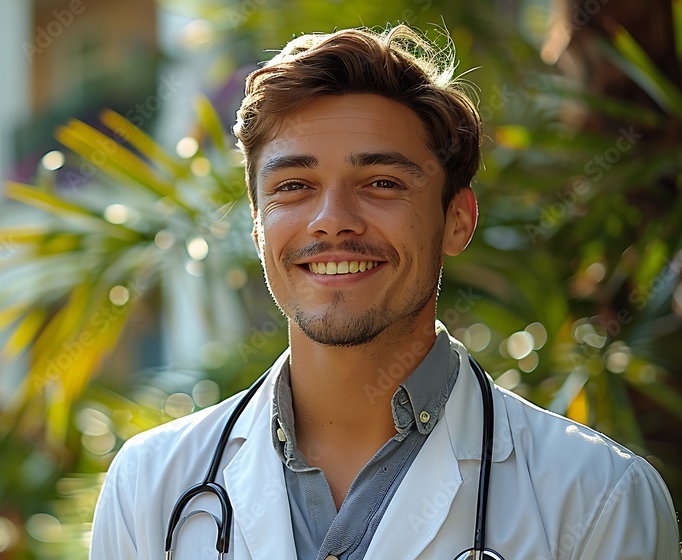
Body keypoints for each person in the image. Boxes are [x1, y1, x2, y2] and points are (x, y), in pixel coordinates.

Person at [89, 24, 681, 560]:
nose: (332, 220)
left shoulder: (597, 496)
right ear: (257, 223)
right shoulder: (150, 488)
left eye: (381, 182)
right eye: (294, 185)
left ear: (457, 220)